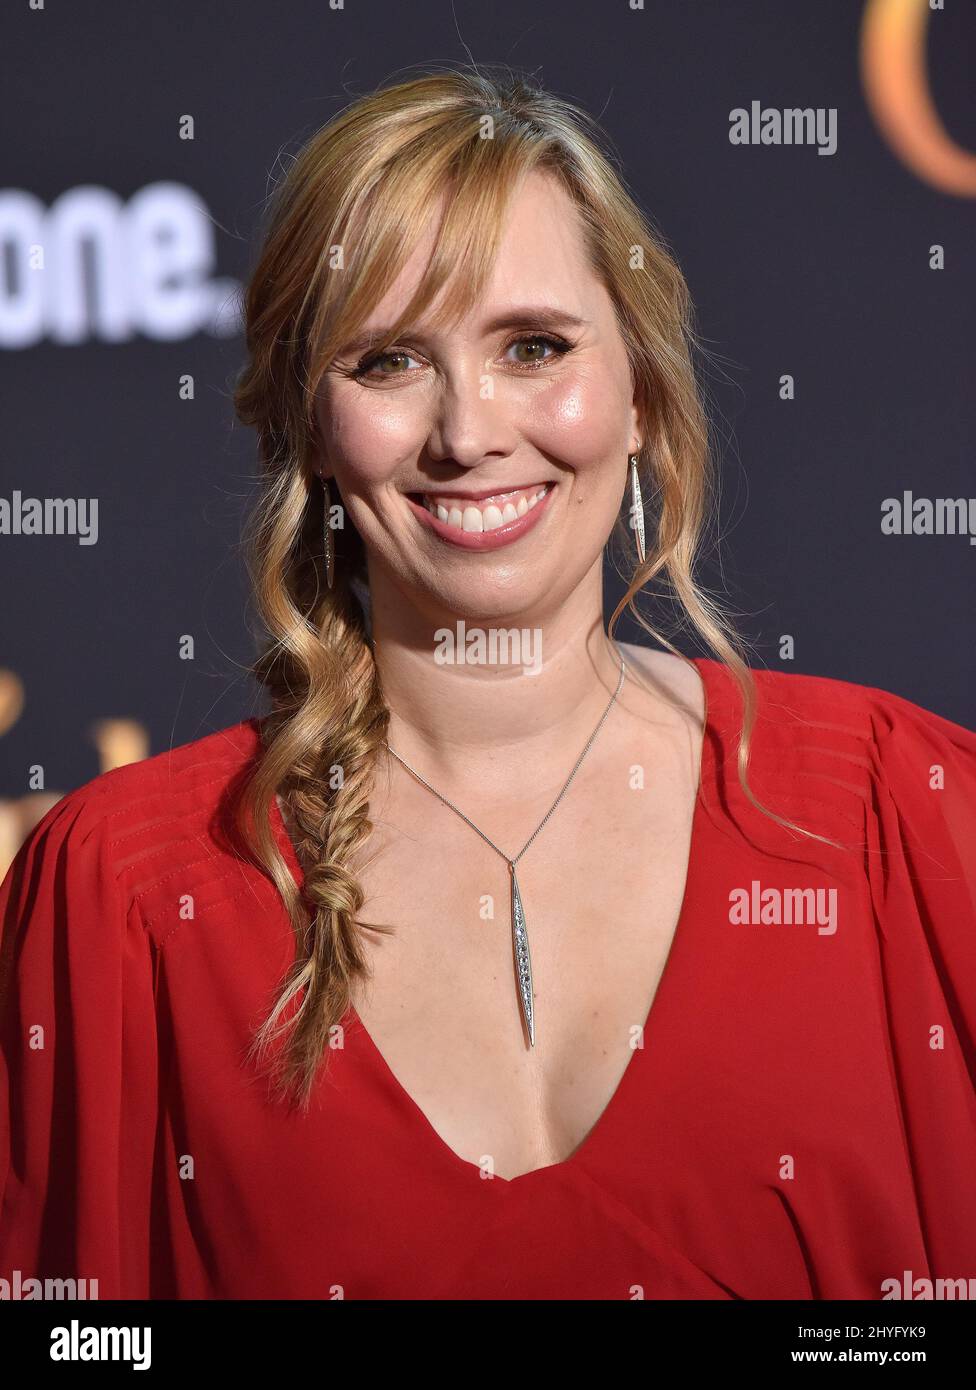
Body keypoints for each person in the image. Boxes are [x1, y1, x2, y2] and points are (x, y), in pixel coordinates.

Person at [1, 66, 974, 1301]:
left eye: (533, 346)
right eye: (390, 360)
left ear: (640, 396)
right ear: (308, 422)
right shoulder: (124, 892)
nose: (467, 431)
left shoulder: (910, 821)